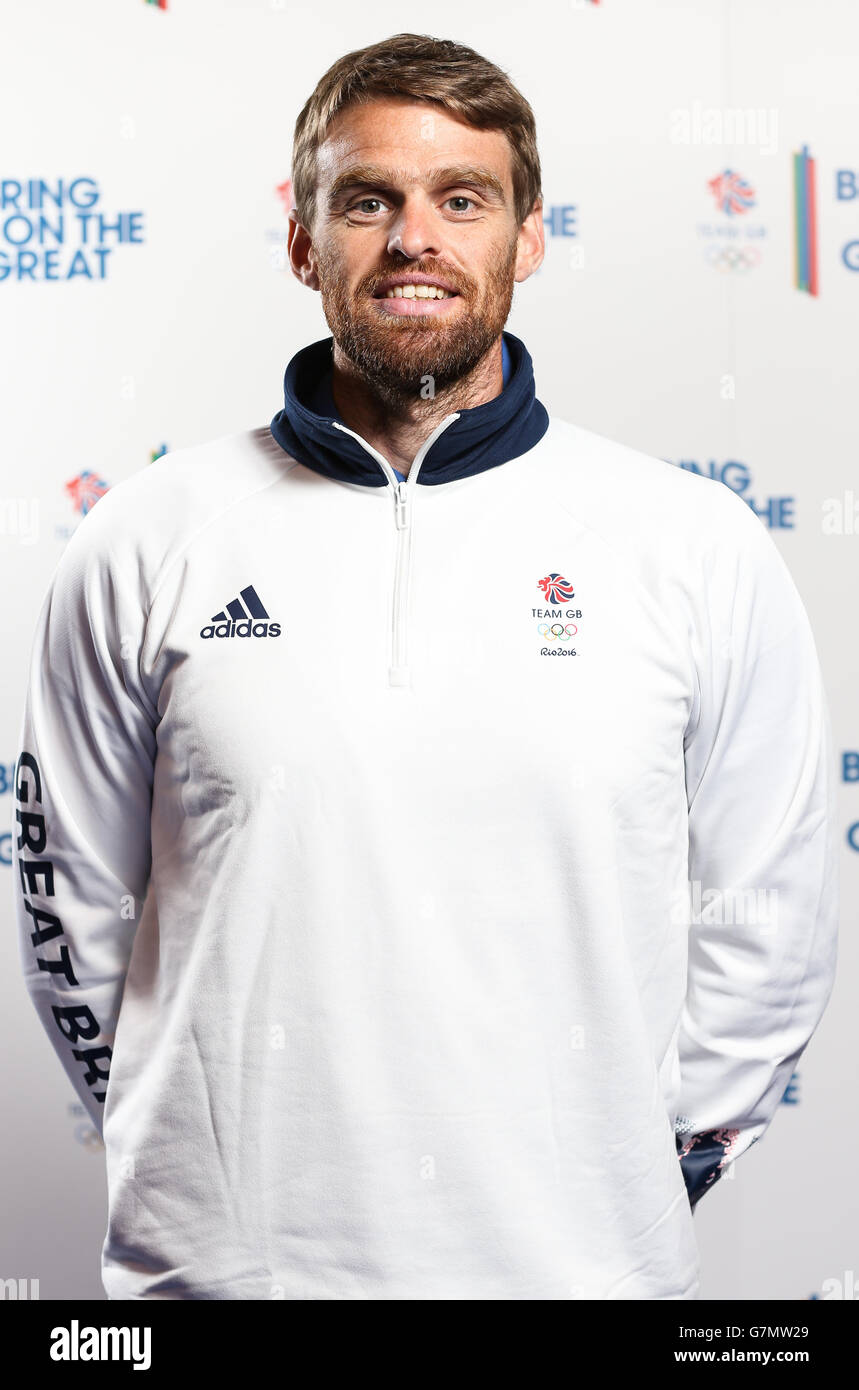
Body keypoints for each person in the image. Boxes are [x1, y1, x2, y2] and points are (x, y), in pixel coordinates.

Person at [12, 32, 838, 1301]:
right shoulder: (145, 540)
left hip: (584, 1281)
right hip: (221, 1282)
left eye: (464, 199)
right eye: (368, 200)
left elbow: (769, 904)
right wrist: (192, 1169)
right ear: (303, 242)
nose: (415, 238)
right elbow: (70, 904)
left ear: (527, 238)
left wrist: (645, 1168)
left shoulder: (691, 546)